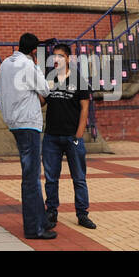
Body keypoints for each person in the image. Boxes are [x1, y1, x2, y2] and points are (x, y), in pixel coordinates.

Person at [0, 33, 54, 240]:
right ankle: (34, 228)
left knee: (31, 175)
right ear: (33, 51)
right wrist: (37, 65)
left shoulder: (5, 63)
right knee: (31, 177)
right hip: (28, 123)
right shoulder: (28, 65)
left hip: (13, 121)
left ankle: (42, 221)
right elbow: (45, 90)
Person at [42, 43, 97, 231]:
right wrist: (39, 86)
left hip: (72, 137)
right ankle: (51, 211)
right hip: (51, 137)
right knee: (51, 178)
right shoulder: (50, 79)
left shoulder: (79, 81)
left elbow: (84, 109)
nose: (56, 59)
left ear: (68, 59)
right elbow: (42, 102)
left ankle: (82, 214)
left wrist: (79, 135)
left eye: (59, 56)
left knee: (79, 178)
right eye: (53, 56)